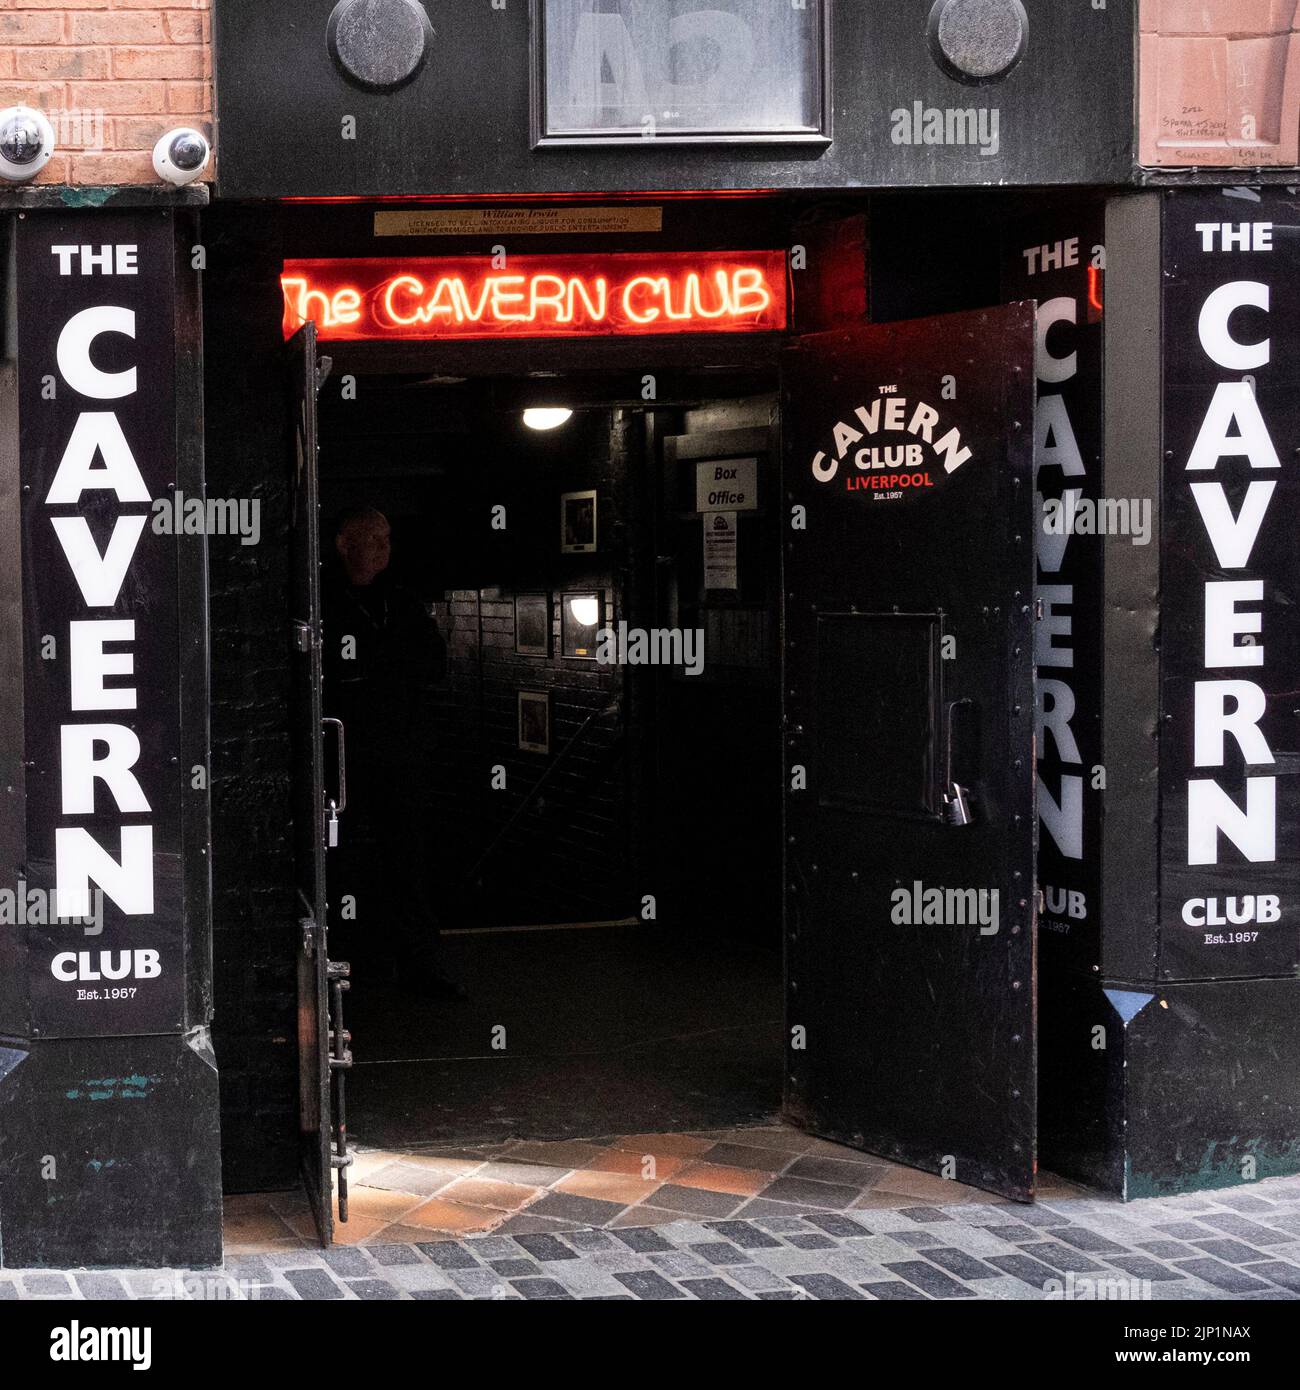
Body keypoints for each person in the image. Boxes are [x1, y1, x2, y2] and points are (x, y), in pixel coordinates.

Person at [322, 505, 465, 1000]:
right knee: (340, 863)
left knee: (407, 861)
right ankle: (348, 968)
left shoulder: (400, 600)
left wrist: (377, 670)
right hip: (343, 755)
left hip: (399, 753)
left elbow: (433, 663)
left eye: (388, 537)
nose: (384, 547)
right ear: (344, 542)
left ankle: (421, 968)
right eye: (373, 537)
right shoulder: (324, 600)